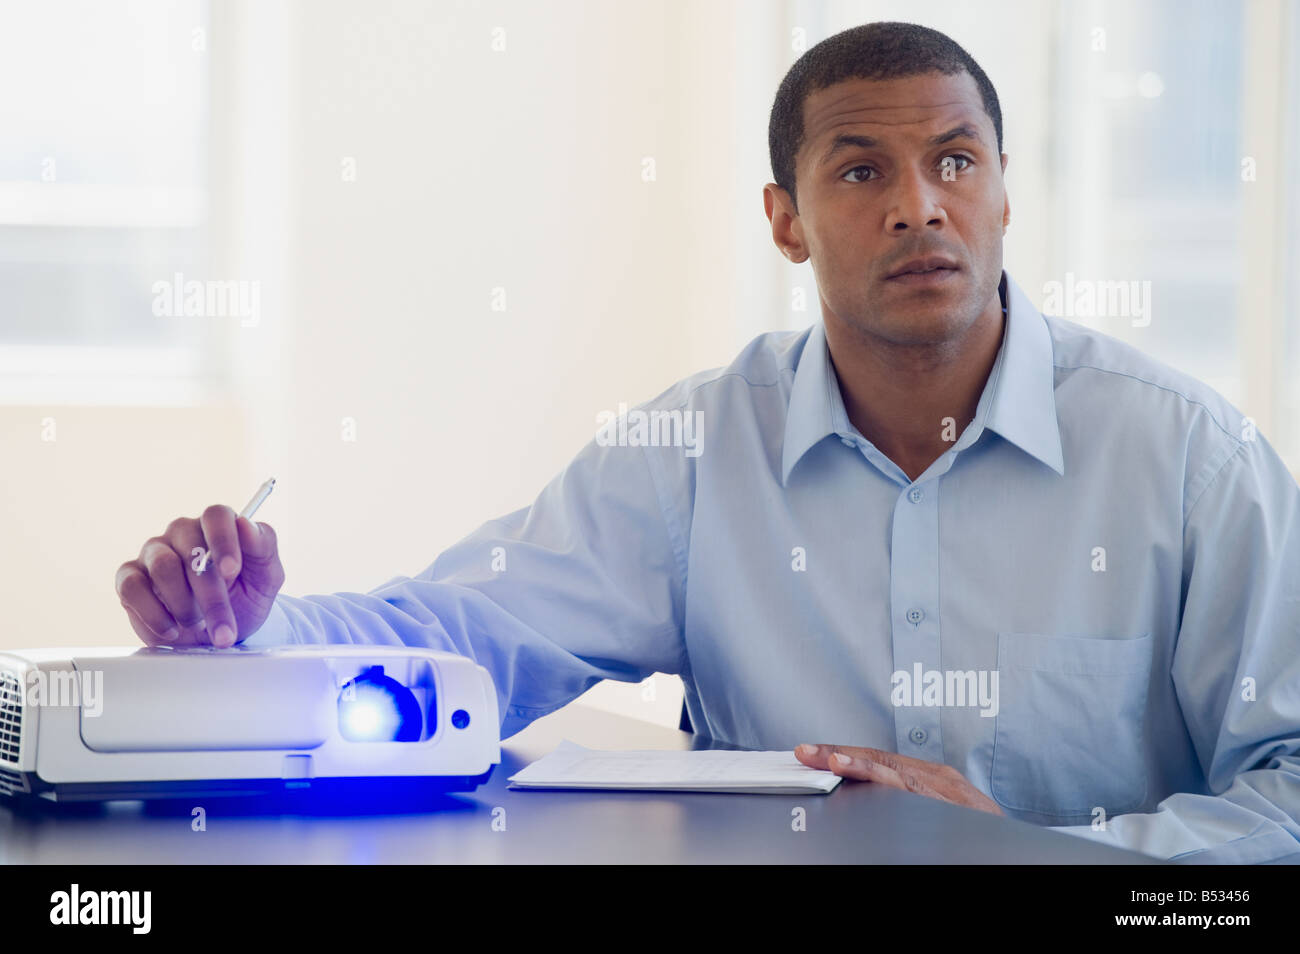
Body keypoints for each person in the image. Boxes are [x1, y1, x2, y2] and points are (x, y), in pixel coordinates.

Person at [115, 21, 1300, 864]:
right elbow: (461, 631)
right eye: (859, 170)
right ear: (783, 221)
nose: (917, 206)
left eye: (954, 162)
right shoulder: (694, 451)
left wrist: (1035, 856)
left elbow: (1288, 794)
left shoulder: (1189, 461)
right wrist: (245, 626)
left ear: (1003, 194)